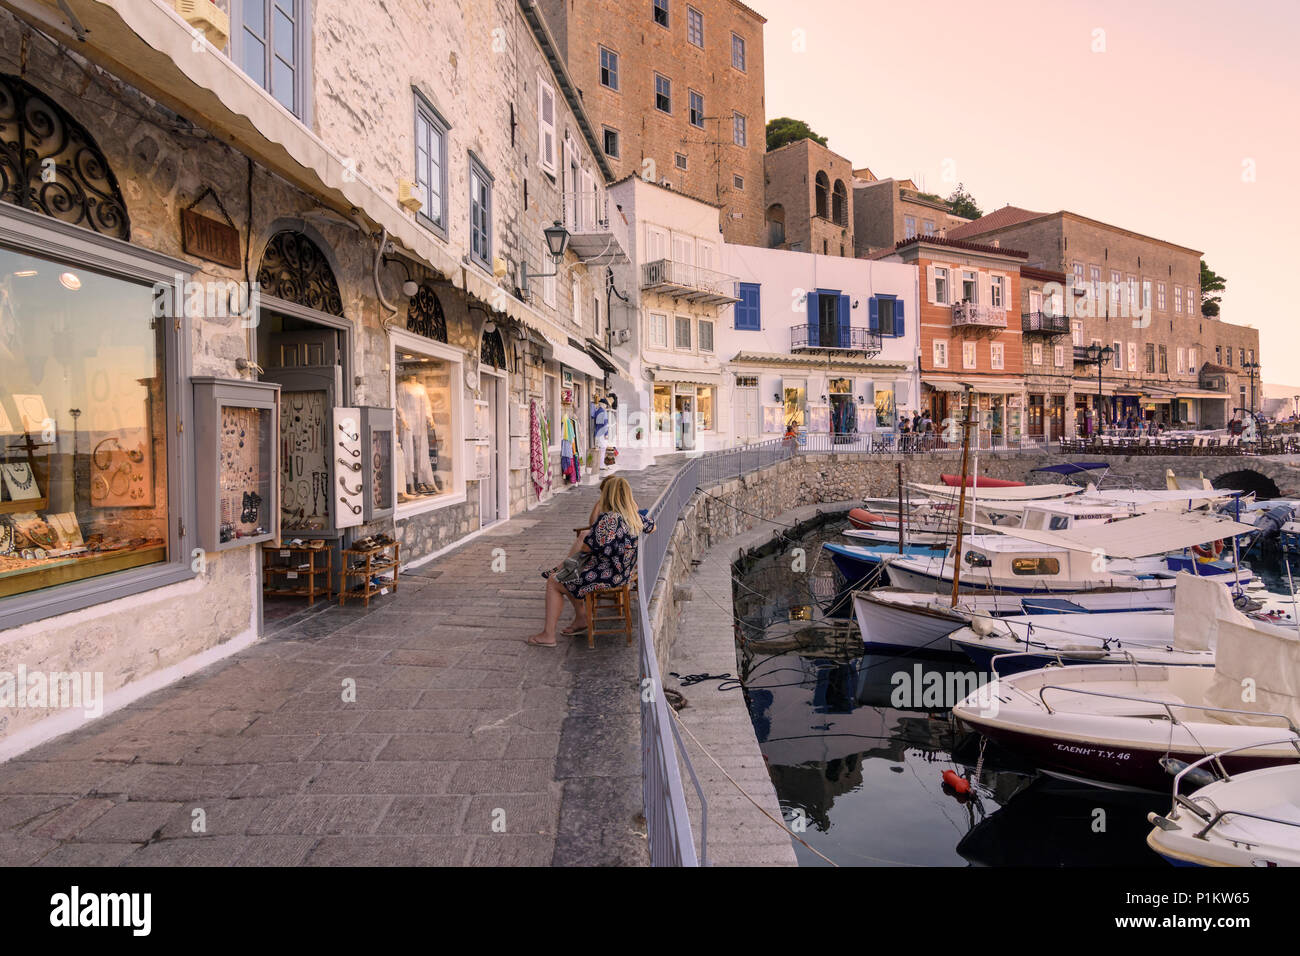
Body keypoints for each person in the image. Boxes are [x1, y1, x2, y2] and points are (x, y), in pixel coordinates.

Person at [527, 477, 654, 647]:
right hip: (624, 575)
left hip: (606, 576)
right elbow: (653, 526)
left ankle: (548, 635)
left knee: (554, 582)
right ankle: (581, 618)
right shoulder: (635, 518)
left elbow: (587, 548)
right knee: (568, 577)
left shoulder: (608, 520)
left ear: (608, 496)